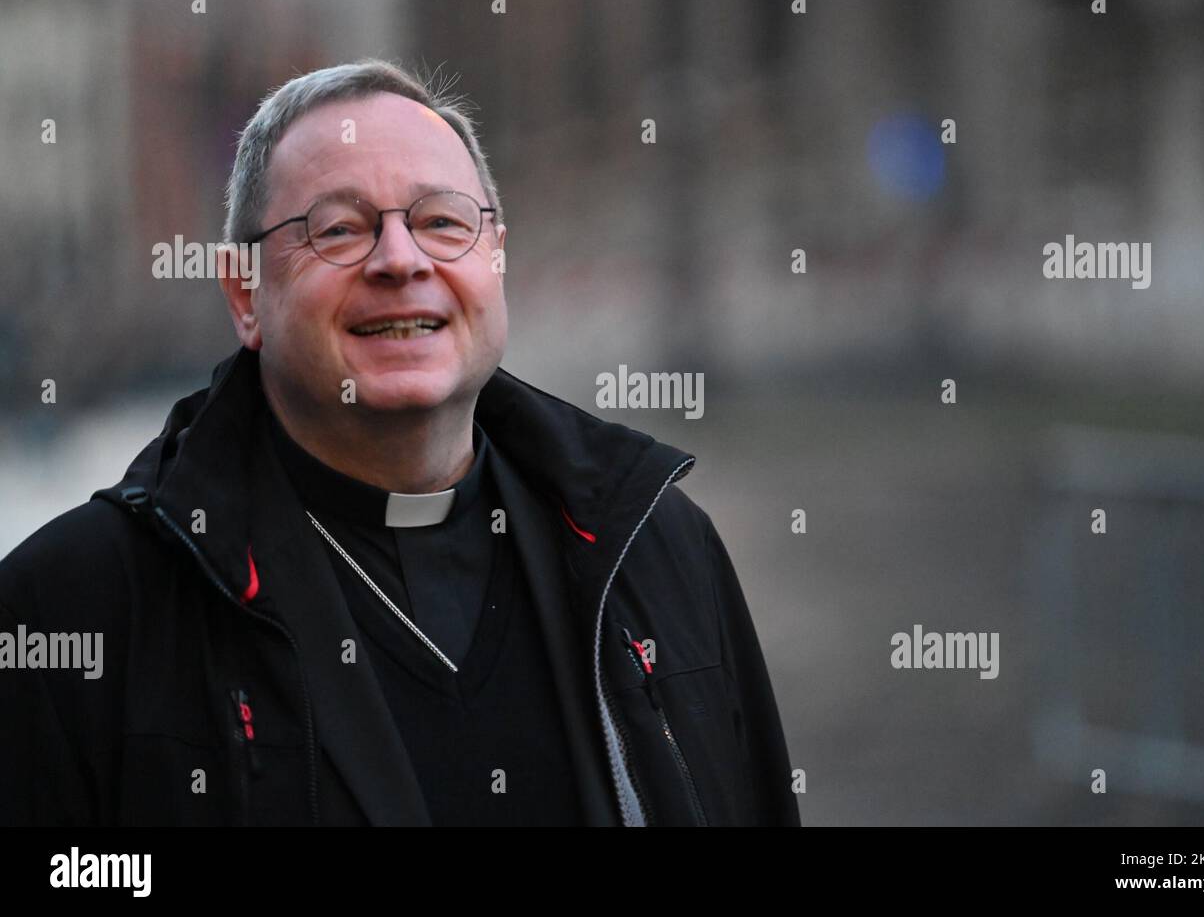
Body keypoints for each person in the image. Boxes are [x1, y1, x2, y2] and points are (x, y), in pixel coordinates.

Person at [0, 59, 800, 827]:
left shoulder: (659, 550)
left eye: (442, 222)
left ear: (495, 257)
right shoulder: (73, 609)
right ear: (246, 295)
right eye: (339, 230)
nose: (400, 259)